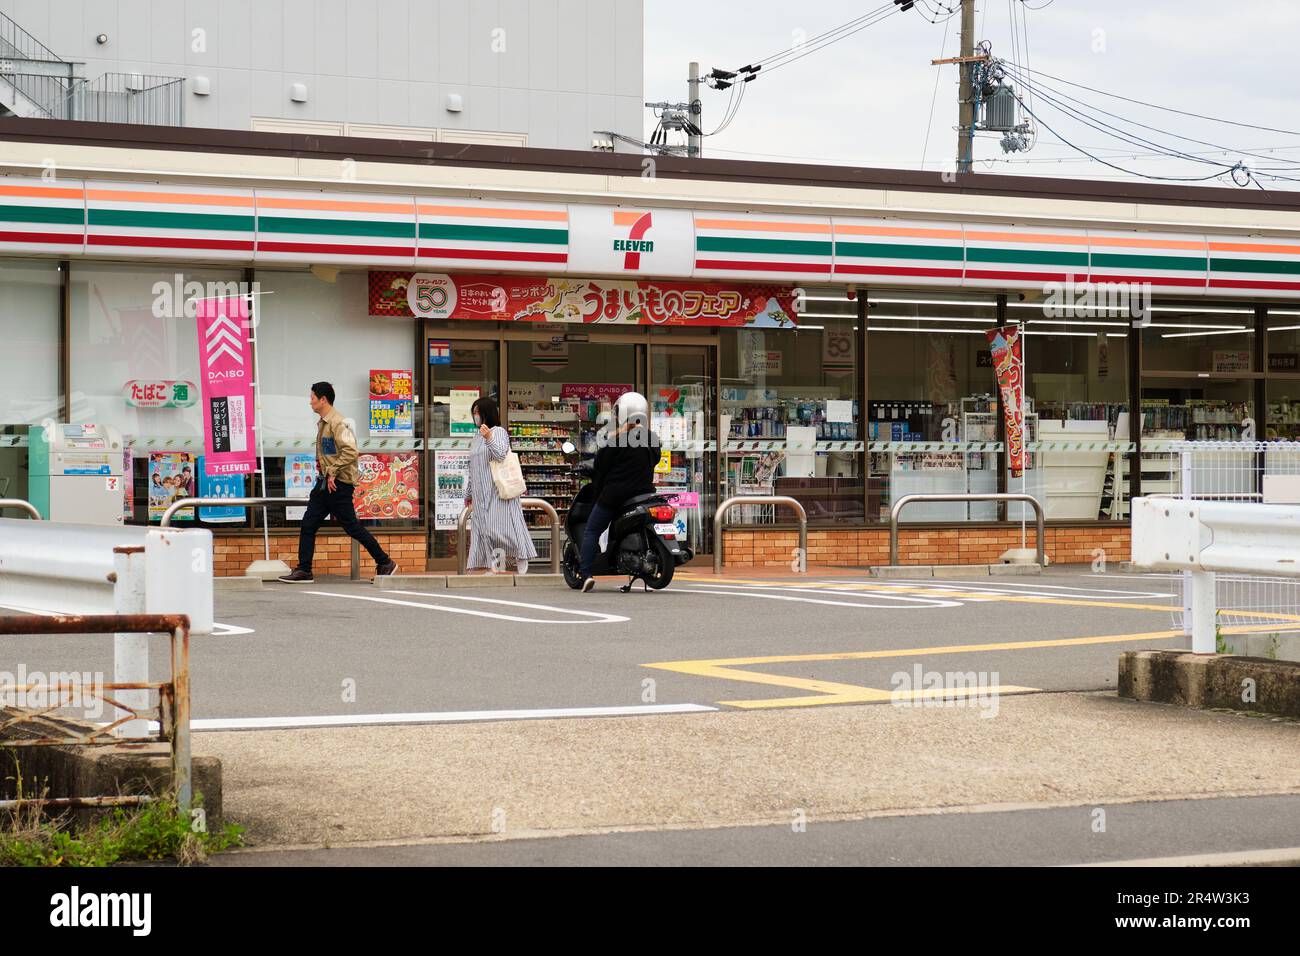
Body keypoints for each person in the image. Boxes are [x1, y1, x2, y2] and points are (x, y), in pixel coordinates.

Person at [278, 382, 397, 583]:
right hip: (325, 484)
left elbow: (350, 451)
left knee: (352, 527)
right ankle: (304, 569)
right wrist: (327, 473)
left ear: (323, 399)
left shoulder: (338, 423)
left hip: (338, 485)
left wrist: (332, 471)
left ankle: (385, 561)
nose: (310, 402)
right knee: (308, 524)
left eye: (312, 397)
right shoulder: (325, 422)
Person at [578, 391, 660, 592]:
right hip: (644, 493)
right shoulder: (651, 438)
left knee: (592, 529)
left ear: (622, 414)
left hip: (615, 495)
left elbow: (600, 465)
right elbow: (655, 459)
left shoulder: (618, 438)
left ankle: (586, 573)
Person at [464, 396, 537, 574]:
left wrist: (488, 437)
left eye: (477, 412)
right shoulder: (475, 438)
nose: (475, 416)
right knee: (484, 531)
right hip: (481, 494)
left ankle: (521, 554)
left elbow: (501, 455)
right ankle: (497, 565)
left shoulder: (498, 432)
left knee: (500, 528)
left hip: (498, 491)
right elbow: (472, 468)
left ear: (486, 413)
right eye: (473, 413)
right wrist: (469, 493)